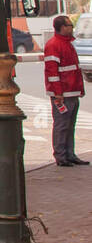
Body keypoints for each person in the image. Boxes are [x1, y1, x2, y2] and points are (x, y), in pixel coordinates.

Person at [44, 15, 87, 166]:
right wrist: (58, 94)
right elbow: (52, 72)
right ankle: (61, 156)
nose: (72, 28)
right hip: (63, 93)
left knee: (69, 125)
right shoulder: (54, 45)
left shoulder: (67, 43)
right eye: (69, 25)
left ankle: (69, 154)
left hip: (72, 91)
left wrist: (79, 90)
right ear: (62, 27)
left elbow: (73, 69)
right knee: (62, 125)